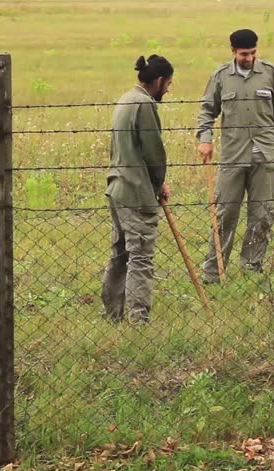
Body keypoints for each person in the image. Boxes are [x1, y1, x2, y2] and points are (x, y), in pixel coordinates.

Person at [196, 28, 274, 283]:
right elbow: (207, 111)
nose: (248, 58)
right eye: (243, 54)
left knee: (262, 215)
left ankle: (251, 268)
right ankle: (213, 272)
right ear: (233, 52)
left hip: (265, 156)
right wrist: (205, 140)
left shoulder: (271, 74)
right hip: (233, 157)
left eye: (252, 53)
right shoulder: (220, 77)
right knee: (225, 214)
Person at [102, 54, 174, 322]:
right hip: (135, 191)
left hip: (117, 185)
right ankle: (138, 321)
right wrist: (157, 184)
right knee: (141, 257)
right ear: (157, 81)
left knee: (120, 255)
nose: (167, 89)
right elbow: (154, 151)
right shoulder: (144, 104)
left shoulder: (125, 99)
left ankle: (112, 316)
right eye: (167, 84)